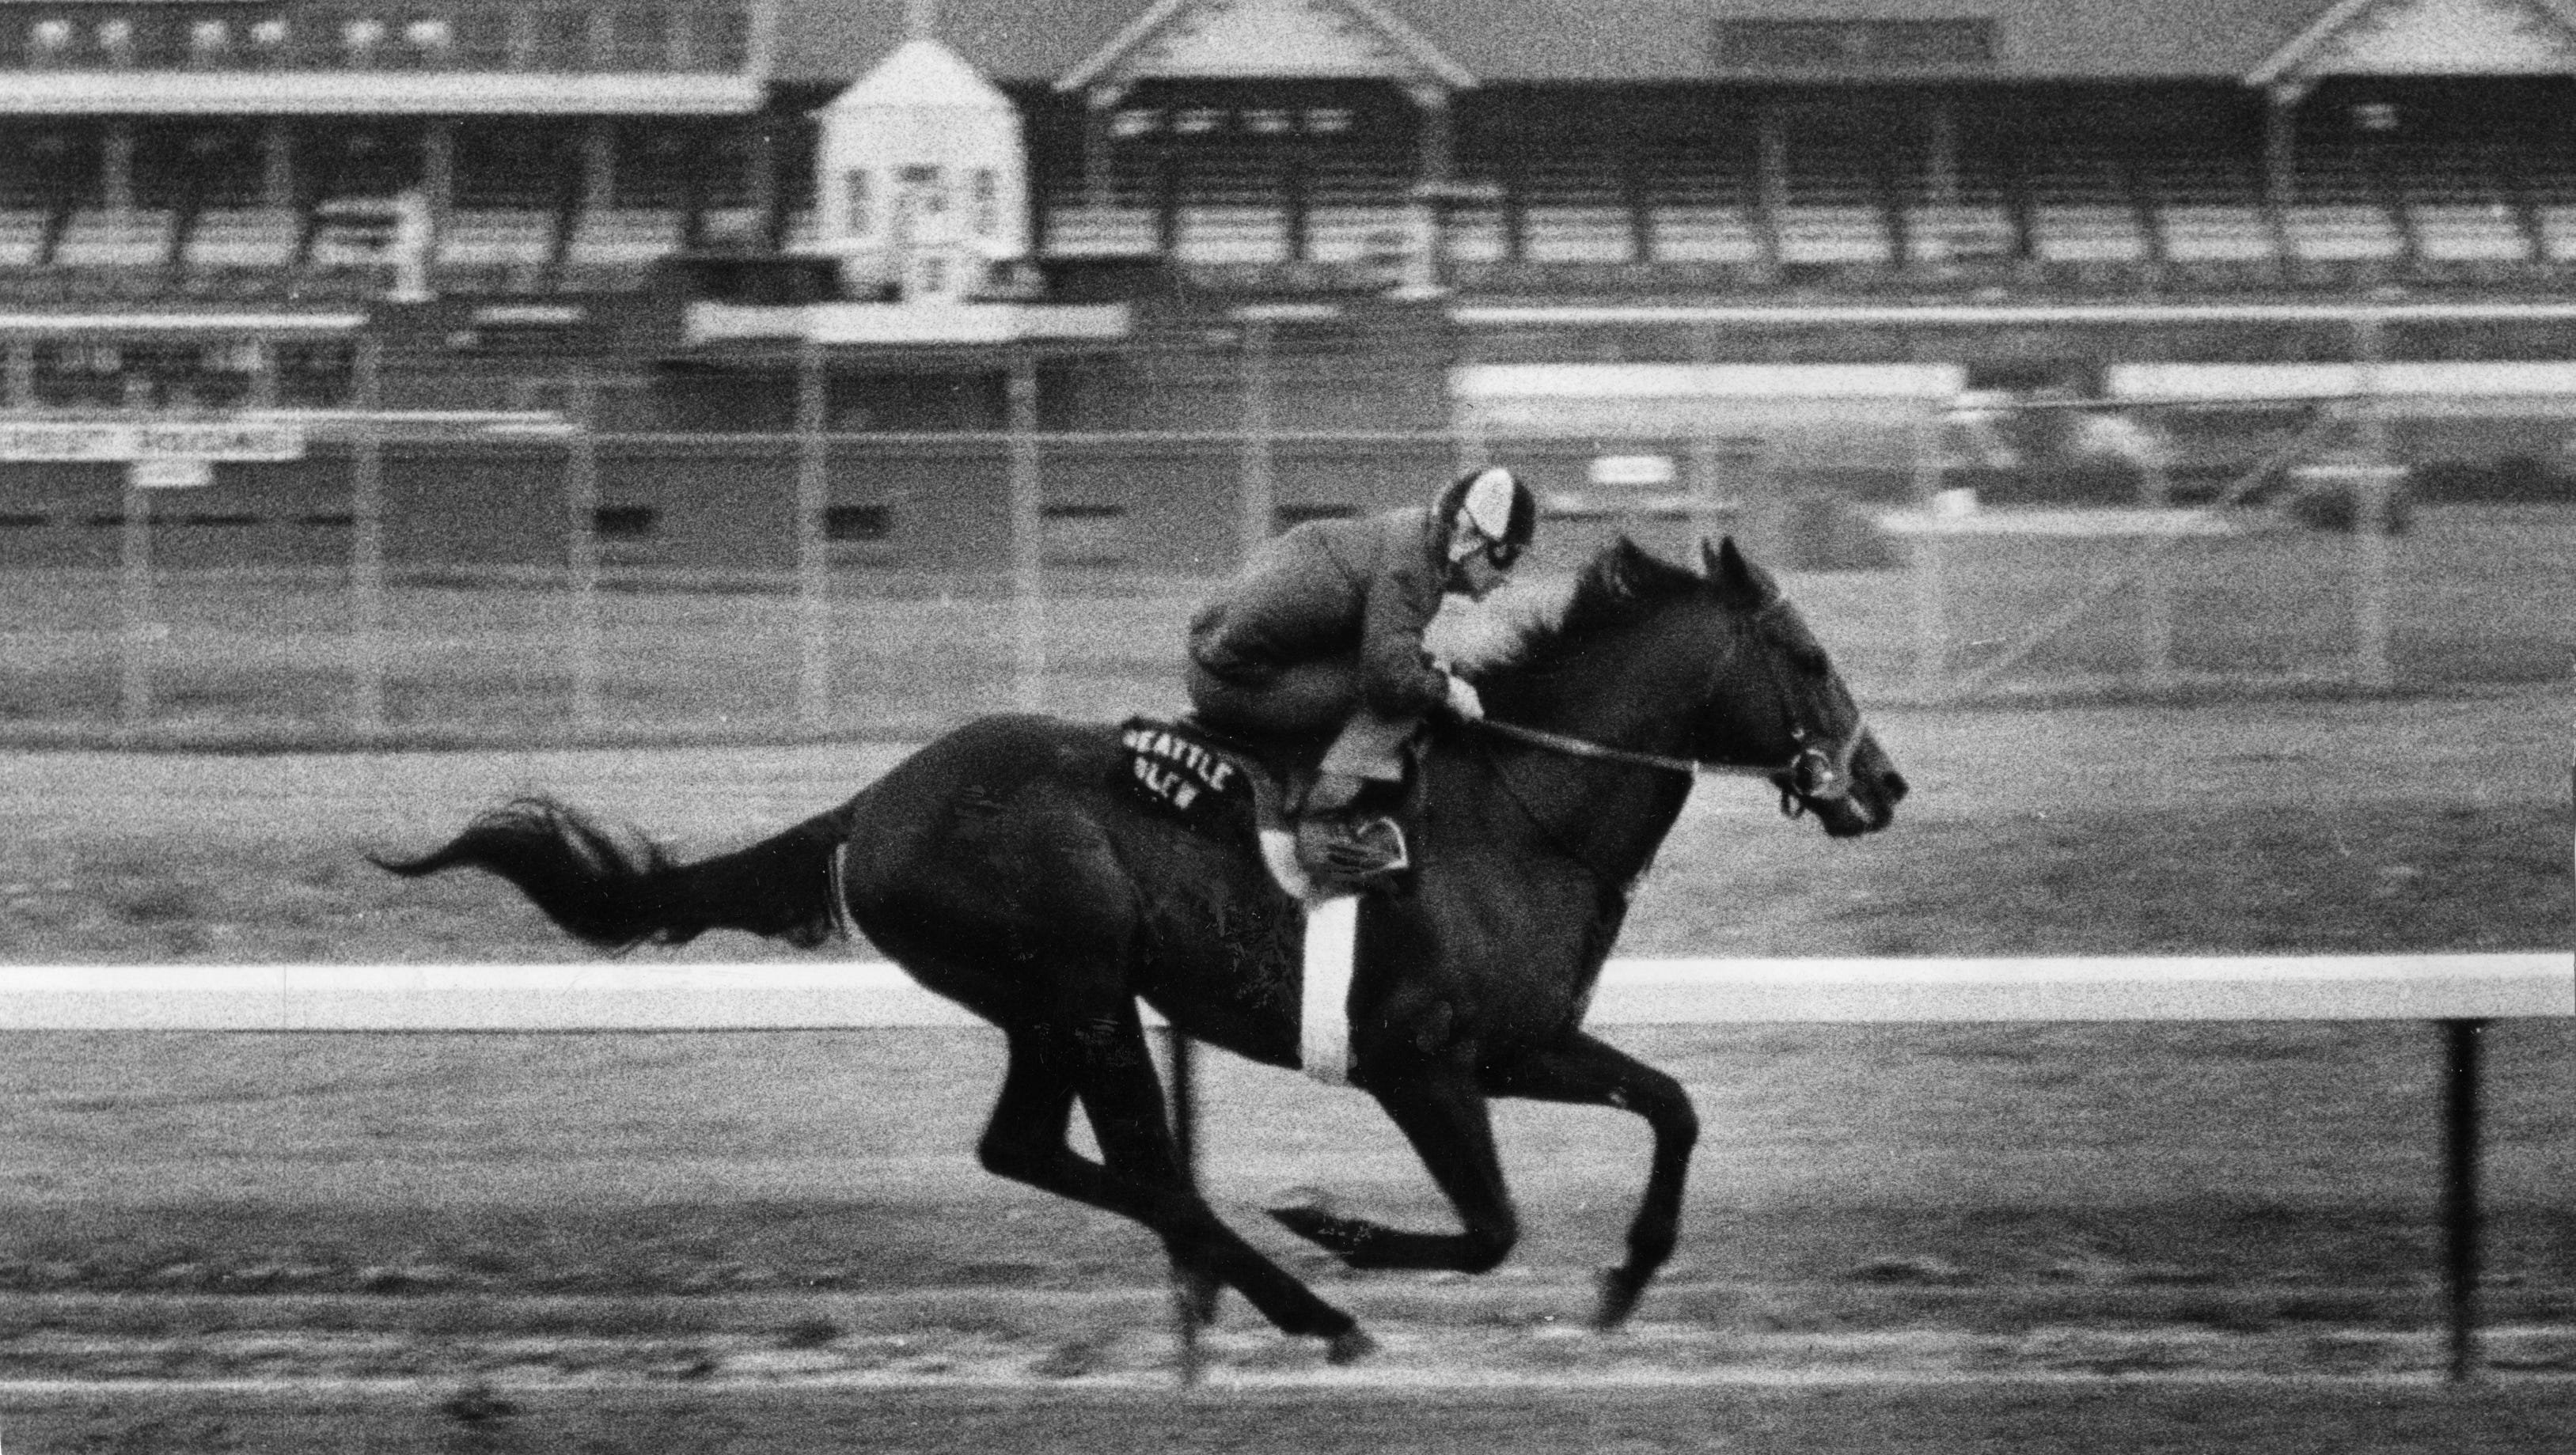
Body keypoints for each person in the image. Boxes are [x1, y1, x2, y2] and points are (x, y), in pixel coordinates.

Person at [1186, 465, 1536, 884]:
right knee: (1400, 698)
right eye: (1508, 557)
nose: (1507, 579)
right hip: (1232, 679)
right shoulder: (1414, 568)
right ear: (1473, 542)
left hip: (1228, 655)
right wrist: (1447, 690)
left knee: (1413, 675)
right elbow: (1390, 681)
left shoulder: (1414, 535)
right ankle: (1323, 832)